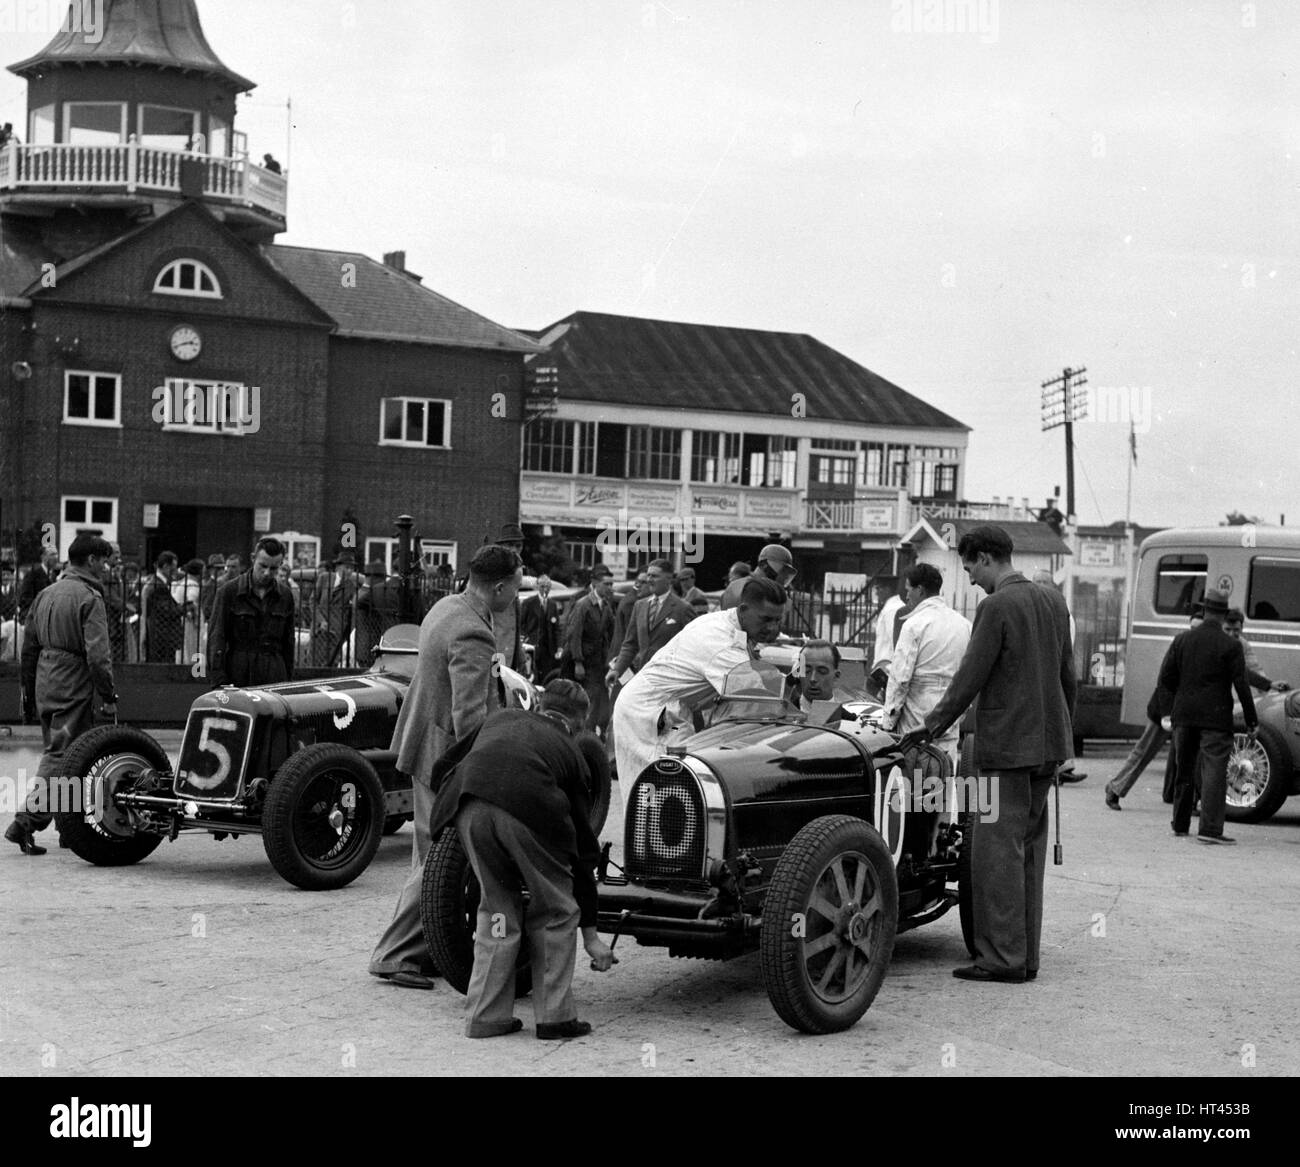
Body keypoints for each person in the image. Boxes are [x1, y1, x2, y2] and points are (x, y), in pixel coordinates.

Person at [898, 525, 1075, 984]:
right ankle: (1025, 956)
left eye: (970, 567)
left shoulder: (996, 606)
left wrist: (930, 726)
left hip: (1007, 747)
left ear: (983, 558)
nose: (971, 579)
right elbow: (1067, 675)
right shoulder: (1052, 602)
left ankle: (1001, 959)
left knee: (995, 854)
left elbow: (969, 678)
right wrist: (1063, 739)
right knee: (1029, 853)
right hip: (1047, 747)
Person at [368, 544, 524, 990]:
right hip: (444, 758)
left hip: (425, 745)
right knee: (438, 858)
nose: (517, 593)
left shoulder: (447, 607)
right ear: (498, 586)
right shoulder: (473, 633)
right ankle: (394, 955)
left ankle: (420, 951)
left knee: (428, 853)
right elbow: (470, 716)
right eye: (515, 584)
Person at [428, 679, 616, 1038]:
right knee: (556, 911)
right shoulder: (571, 751)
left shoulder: (501, 718)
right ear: (579, 722)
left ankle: (486, 1016)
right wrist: (590, 934)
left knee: (497, 909)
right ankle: (555, 1017)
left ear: (541, 704)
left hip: (469, 806)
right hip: (527, 812)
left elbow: (444, 767)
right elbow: (581, 850)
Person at [613, 575, 787, 798]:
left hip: (665, 708)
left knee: (671, 787)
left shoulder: (722, 620)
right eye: (766, 619)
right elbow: (758, 699)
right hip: (651, 713)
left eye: (778, 620)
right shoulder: (722, 646)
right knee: (665, 791)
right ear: (743, 609)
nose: (773, 628)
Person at [6, 535, 118, 856]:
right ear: (93, 561)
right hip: (73, 682)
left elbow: (29, 649)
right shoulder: (89, 598)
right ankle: (25, 821)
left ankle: (67, 829)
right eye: (104, 561)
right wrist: (108, 692)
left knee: (66, 753)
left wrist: (29, 691)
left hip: (46, 679)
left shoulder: (45, 594)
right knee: (65, 756)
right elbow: (98, 657)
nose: (107, 567)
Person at [1159, 588, 1257, 845]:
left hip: (1184, 715)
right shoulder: (1231, 645)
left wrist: (1178, 701)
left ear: (1204, 611)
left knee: (1185, 769)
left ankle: (1180, 825)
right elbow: (1242, 685)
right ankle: (1210, 829)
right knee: (1214, 771)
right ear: (1224, 615)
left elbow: (1166, 678)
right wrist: (1252, 721)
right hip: (1216, 717)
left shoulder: (1182, 640)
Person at [1106, 607, 1205, 810]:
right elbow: (1164, 680)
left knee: (1188, 758)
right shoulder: (1180, 644)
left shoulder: (1204, 648)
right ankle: (1115, 789)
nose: (1193, 631)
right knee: (1144, 751)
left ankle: (1190, 801)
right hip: (1165, 709)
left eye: (1198, 628)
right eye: (1192, 626)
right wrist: (1167, 714)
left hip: (1185, 710)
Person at [883, 563, 972, 769]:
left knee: (914, 791)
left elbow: (900, 679)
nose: (906, 597)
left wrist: (888, 722)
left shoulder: (914, 624)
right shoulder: (964, 625)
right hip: (949, 718)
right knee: (945, 782)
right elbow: (970, 677)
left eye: (908, 590)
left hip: (915, 721)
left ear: (920, 590)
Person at [207, 538, 296, 687]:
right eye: (263, 566)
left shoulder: (285, 596)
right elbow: (217, 637)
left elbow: (289, 642)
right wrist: (218, 681)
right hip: (238, 672)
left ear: (280, 565)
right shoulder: (229, 592)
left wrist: (288, 681)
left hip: (274, 672)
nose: (267, 573)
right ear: (253, 558)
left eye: (273, 568)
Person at [607, 558, 695, 686]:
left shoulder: (683, 608)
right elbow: (630, 644)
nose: (649, 580)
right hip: (643, 676)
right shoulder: (640, 606)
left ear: (668, 579)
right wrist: (617, 670)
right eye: (648, 575)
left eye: (654, 576)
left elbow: (692, 646)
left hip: (669, 680)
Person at [562, 566, 616, 738]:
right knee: (590, 700)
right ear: (595, 583)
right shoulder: (583, 604)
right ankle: (584, 736)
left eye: (611, 584)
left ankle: (589, 735)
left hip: (599, 662)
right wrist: (578, 662)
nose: (610, 587)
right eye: (606, 584)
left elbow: (612, 631)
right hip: (585, 661)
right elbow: (574, 634)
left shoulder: (605, 606)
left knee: (598, 701)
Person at [313, 551, 359, 666]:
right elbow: (312, 601)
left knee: (330, 665)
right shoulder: (324, 578)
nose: (350, 571)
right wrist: (321, 621)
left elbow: (351, 611)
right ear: (338, 567)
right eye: (347, 567)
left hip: (335, 635)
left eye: (352, 568)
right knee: (312, 663)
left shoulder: (351, 587)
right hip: (319, 631)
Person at [720, 544, 795, 610]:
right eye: (782, 570)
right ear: (764, 565)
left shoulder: (734, 585)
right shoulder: (761, 589)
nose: (783, 576)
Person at [140, 551, 181, 662]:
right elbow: (168, 610)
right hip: (162, 636)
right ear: (166, 567)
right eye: (174, 567)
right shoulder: (159, 586)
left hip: (156, 634)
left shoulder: (154, 583)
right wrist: (186, 607)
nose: (176, 571)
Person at [519, 573, 562, 680]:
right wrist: (525, 639)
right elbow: (521, 624)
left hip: (548, 648)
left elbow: (556, 628)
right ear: (538, 587)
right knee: (532, 674)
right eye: (542, 586)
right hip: (532, 645)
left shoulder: (552, 604)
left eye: (547, 586)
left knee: (546, 675)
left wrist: (559, 646)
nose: (545, 589)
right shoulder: (529, 602)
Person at [173, 557, 205, 664]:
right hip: (190, 623)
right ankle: (196, 674)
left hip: (181, 621)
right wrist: (196, 617)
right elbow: (191, 600)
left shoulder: (182, 582)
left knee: (183, 651)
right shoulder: (193, 584)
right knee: (194, 650)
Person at [610, 570, 650, 655]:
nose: (638, 585)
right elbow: (633, 635)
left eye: (643, 582)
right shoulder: (633, 602)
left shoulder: (635, 599)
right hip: (626, 655)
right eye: (638, 581)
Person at [17, 548, 60, 619]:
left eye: (56, 554)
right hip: (34, 616)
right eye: (52, 554)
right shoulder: (33, 574)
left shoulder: (53, 575)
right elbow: (25, 598)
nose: (56, 557)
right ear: (43, 557)